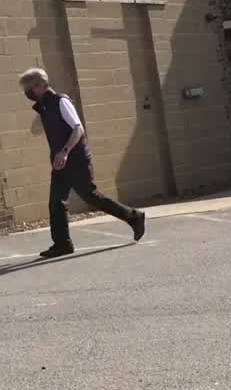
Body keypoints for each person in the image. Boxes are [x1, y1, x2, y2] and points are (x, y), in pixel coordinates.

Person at [21, 68, 146, 258]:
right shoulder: (44, 106)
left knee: (91, 197)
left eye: (28, 88)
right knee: (56, 203)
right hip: (60, 164)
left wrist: (64, 152)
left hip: (76, 160)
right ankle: (62, 244)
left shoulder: (60, 101)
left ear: (39, 86)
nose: (27, 93)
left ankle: (134, 216)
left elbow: (78, 129)